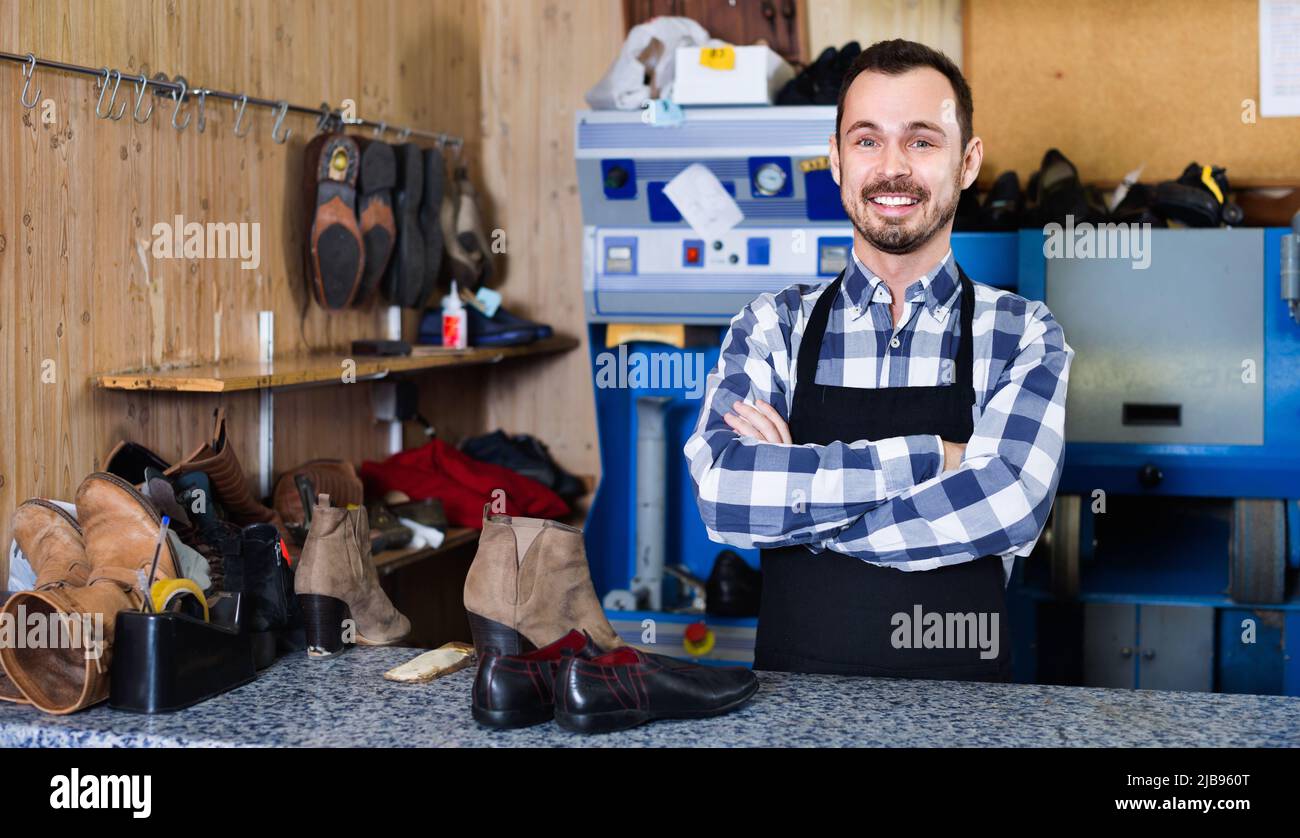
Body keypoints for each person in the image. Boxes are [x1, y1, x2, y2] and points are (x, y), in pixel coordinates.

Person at [684, 39, 1074, 680]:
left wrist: (800, 520)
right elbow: (725, 495)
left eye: (922, 141)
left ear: (968, 161)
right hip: (793, 707)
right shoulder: (772, 324)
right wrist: (937, 457)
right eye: (867, 141)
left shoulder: (1022, 334)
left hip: (963, 712)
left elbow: (1008, 504)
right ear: (835, 159)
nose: (893, 168)